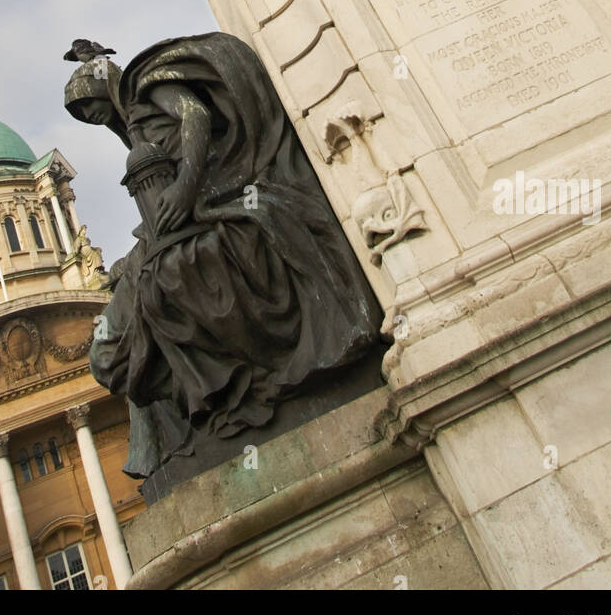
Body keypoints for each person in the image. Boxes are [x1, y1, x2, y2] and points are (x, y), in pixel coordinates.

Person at [63, 33, 382, 478]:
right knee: (113, 343)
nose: (96, 119)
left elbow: (194, 116)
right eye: (86, 118)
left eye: (92, 108)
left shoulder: (145, 87)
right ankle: (180, 432)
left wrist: (187, 184)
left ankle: (224, 396)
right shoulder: (132, 127)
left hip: (226, 195)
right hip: (186, 216)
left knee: (162, 287)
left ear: (102, 85)